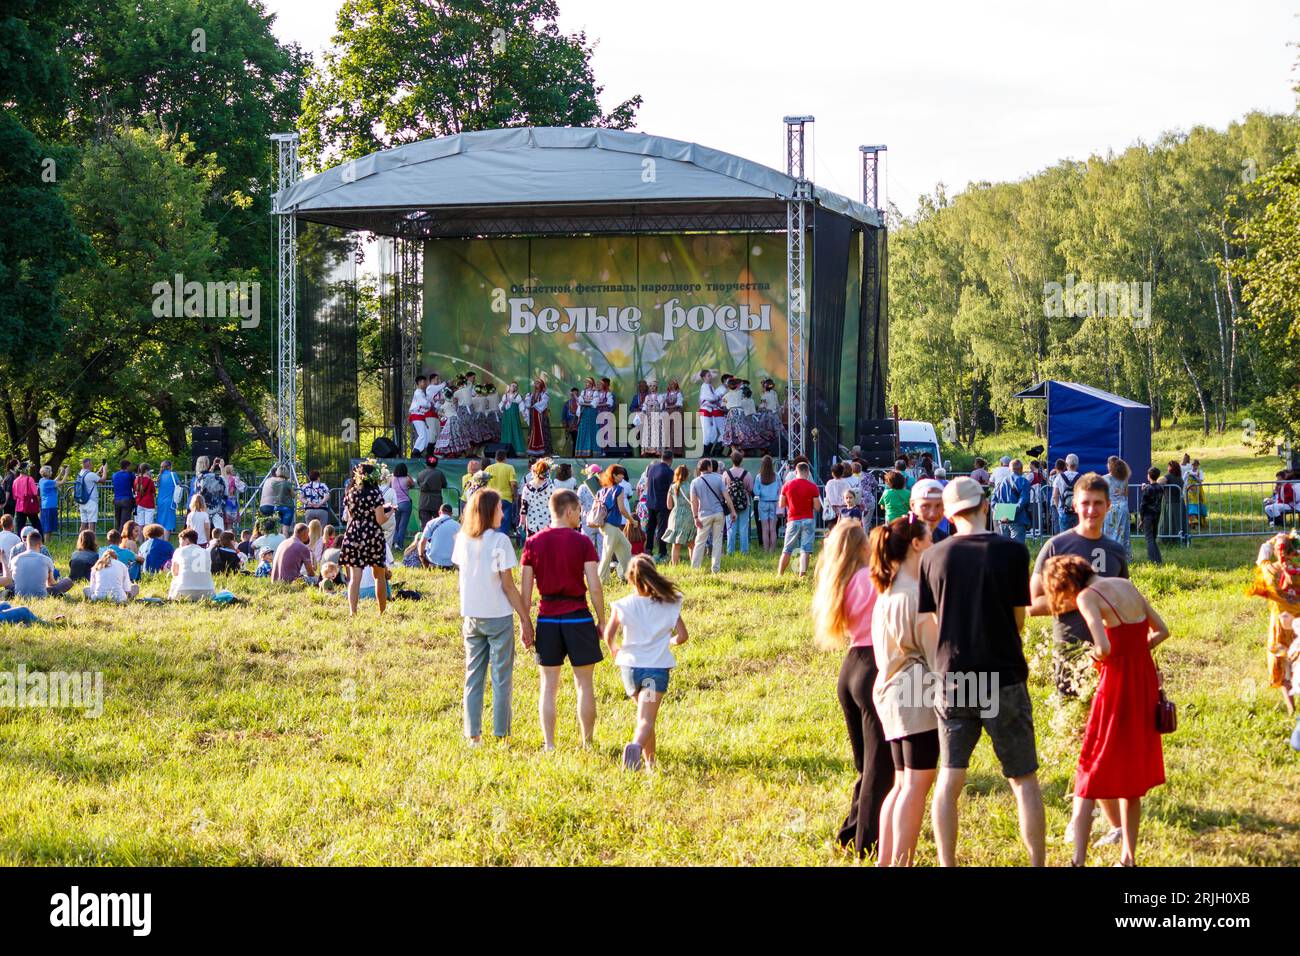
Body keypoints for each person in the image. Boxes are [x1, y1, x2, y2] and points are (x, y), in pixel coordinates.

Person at [917, 477, 1044, 867]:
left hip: (955, 678)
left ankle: (947, 863)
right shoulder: (1011, 551)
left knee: (950, 778)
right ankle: (1038, 862)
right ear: (985, 506)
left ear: (950, 516)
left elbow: (936, 619)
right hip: (1004, 675)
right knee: (1023, 779)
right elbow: (1019, 620)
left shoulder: (932, 558)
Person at [1043, 555, 1170, 866]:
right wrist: (1137, 651)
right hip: (1143, 683)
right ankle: (1128, 858)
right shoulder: (1126, 585)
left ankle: (1077, 860)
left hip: (1115, 687)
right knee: (1132, 772)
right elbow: (1163, 630)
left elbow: (1104, 648)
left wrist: (1092, 662)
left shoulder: (1088, 596)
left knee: (1089, 765)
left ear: (1066, 584)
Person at [812, 520, 892, 859]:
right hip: (875, 665)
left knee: (866, 764)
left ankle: (850, 831)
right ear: (862, 545)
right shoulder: (871, 579)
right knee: (881, 767)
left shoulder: (837, 581)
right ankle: (866, 844)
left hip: (851, 667)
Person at [869, 515, 939, 866]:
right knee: (916, 784)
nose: (933, 544)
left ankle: (887, 861)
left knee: (901, 783)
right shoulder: (916, 596)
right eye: (929, 538)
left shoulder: (888, 591)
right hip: (915, 695)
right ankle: (902, 862)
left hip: (890, 690)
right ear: (915, 544)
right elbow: (936, 655)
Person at [520, 488, 607, 751]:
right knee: (584, 684)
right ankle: (587, 742)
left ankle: (549, 744)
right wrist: (602, 620)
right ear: (569, 511)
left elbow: (525, 592)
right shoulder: (583, 542)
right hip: (578, 618)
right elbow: (594, 586)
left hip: (547, 619)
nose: (580, 516)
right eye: (579, 511)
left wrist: (526, 624)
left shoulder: (532, 542)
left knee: (548, 686)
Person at [1031, 472, 1130, 701]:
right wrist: (1083, 600)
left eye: (1097, 503)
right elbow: (1032, 604)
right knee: (1072, 727)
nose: (1091, 510)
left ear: (1108, 506)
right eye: (1085, 503)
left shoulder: (1116, 550)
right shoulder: (1056, 546)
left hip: (1110, 655)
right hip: (1070, 651)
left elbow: (1124, 600)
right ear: (1075, 505)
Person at [452, 489, 534, 745]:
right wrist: (525, 618)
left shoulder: (462, 539)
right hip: (497, 616)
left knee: (473, 676)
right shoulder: (500, 542)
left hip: (471, 614)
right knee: (501, 677)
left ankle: (473, 734)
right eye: (499, 508)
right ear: (489, 512)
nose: (502, 512)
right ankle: (501, 734)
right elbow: (508, 586)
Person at [603, 554, 688, 770]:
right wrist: (671, 641)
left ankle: (651, 763)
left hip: (630, 670)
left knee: (645, 718)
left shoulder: (623, 605)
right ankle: (635, 748)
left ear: (630, 579)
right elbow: (683, 636)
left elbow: (608, 635)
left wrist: (614, 649)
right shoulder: (669, 602)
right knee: (646, 720)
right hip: (654, 672)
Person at [339, 463, 392, 617]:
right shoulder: (375, 493)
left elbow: (349, 516)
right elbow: (380, 519)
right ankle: (382, 612)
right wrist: (390, 513)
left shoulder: (351, 492)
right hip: (372, 535)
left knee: (355, 578)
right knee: (379, 575)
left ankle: (352, 612)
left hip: (354, 533)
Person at [689, 458, 735, 574]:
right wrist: (733, 511)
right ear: (709, 467)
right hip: (718, 513)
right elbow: (726, 497)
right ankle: (715, 569)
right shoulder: (719, 479)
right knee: (717, 542)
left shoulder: (694, 482)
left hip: (704, 515)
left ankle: (695, 568)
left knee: (700, 542)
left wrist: (695, 517)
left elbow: (694, 501)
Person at [776, 461, 821, 577]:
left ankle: (780, 574)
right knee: (805, 549)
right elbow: (817, 507)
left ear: (796, 471)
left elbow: (781, 504)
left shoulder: (787, 485)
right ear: (807, 472)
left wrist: (790, 504)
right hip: (808, 519)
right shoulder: (813, 486)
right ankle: (802, 575)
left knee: (787, 549)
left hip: (793, 519)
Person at [595, 464, 634, 582]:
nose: (622, 476)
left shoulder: (602, 490)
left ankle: (625, 575)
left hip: (605, 525)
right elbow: (622, 509)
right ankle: (601, 580)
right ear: (614, 475)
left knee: (626, 546)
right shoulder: (619, 489)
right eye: (620, 474)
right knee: (607, 554)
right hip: (611, 526)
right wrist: (631, 520)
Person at [11, 531, 74, 598]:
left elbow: (12, 580)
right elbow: (51, 583)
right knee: (68, 581)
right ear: (40, 544)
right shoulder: (46, 560)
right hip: (41, 596)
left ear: (26, 543)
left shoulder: (15, 559)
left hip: (19, 595)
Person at [642, 452, 675, 562]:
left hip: (650, 502)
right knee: (662, 528)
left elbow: (647, 483)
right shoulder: (670, 472)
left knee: (650, 527)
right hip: (662, 505)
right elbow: (672, 489)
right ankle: (662, 552)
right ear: (671, 459)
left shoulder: (651, 468)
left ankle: (648, 549)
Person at [991, 458, 1032, 544]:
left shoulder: (1000, 482)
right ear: (1021, 469)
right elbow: (1023, 501)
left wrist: (1002, 513)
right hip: (1018, 519)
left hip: (1002, 519)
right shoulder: (1024, 482)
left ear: (1010, 469)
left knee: (1004, 549)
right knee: (1017, 549)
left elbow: (993, 501)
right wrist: (1010, 513)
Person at [169, 528, 216, 600]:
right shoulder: (206, 552)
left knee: (175, 578)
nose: (180, 545)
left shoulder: (179, 551)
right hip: (208, 593)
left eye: (180, 542)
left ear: (187, 540)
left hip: (184, 592)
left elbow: (175, 573)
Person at [722, 452, 754, 555]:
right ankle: (744, 551)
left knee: (730, 528)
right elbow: (750, 489)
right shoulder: (747, 474)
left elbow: (723, 489)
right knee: (743, 528)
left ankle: (730, 551)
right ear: (741, 461)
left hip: (730, 504)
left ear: (731, 460)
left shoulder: (726, 473)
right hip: (744, 504)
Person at [516, 457, 554, 542]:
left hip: (532, 524)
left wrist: (522, 524)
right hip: (547, 523)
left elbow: (523, 508)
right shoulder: (551, 487)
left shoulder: (527, 487)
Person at [484, 449, 517, 536]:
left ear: (495, 458)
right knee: (504, 523)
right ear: (505, 458)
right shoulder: (510, 468)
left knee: (492, 522)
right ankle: (502, 543)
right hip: (506, 499)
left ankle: (491, 542)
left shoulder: (488, 468)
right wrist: (515, 495)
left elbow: (483, 483)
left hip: (492, 499)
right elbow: (513, 484)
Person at [1103, 456, 1132, 556]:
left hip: (1110, 508)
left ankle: (1110, 556)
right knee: (1123, 534)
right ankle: (1124, 556)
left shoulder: (1104, 478)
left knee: (1109, 533)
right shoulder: (1124, 478)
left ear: (1109, 465)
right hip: (1123, 507)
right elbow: (1126, 493)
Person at [419, 504, 460, 570]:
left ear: (439, 512)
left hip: (432, 561)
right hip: (450, 562)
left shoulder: (431, 523)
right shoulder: (458, 526)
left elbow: (422, 542)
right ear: (451, 514)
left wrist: (421, 557)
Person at [909, 478, 949, 544]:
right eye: (925, 506)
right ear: (913, 505)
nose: (932, 514)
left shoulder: (946, 543)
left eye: (938, 506)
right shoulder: (899, 540)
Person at [754, 455, 782, 552]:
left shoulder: (759, 476)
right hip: (774, 503)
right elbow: (781, 489)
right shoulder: (776, 476)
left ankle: (766, 551)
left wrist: (763, 493)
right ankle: (772, 551)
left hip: (763, 503)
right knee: (773, 529)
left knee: (765, 529)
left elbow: (756, 492)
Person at [1138, 467, 1165, 564]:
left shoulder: (1147, 489)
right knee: (1153, 537)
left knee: (1149, 538)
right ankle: (1157, 558)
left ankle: (1154, 559)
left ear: (1149, 476)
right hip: (1156, 515)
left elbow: (1143, 505)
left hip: (1148, 516)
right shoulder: (1161, 488)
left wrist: (1141, 519)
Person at [698, 369, 726, 457]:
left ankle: (708, 452)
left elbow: (713, 399)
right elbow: (711, 398)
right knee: (707, 432)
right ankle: (705, 453)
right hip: (705, 412)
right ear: (703, 377)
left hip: (710, 412)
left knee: (713, 433)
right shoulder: (705, 386)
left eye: (710, 375)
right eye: (708, 375)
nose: (710, 377)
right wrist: (718, 396)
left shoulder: (710, 386)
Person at [389, 463, 415, 552]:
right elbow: (413, 485)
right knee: (402, 526)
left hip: (395, 504)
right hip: (406, 503)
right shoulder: (407, 479)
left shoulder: (392, 479)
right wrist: (409, 475)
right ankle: (399, 545)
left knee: (395, 525)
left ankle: (395, 542)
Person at [1052, 454, 1081, 532]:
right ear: (1077, 465)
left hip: (1064, 511)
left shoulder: (1059, 477)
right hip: (1077, 512)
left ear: (1066, 464)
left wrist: (1059, 509)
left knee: (1065, 538)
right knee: (1077, 537)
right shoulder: (1081, 478)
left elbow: (1055, 496)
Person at [78, 460, 108, 535]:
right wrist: (104, 470)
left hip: (82, 501)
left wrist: (99, 471)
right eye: (92, 463)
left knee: (83, 523)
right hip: (91, 501)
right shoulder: (91, 475)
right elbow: (103, 480)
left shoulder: (80, 473)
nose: (92, 465)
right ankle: (91, 541)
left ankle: (80, 540)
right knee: (92, 523)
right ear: (89, 464)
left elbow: (91, 478)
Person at [10, 464, 40, 534]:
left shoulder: (15, 481)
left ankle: (20, 541)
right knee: (36, 524)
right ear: (26, 470)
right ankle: (40, 540)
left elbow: (14, 496)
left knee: (19, 527)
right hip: (29, 505)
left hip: (19, 507)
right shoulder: (30, 479)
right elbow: (35, 493)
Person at [525, 378, 552, 457]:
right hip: (533, 416)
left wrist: (534, 406)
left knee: (542, 431)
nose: (536, 385)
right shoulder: (530, 394)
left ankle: (544, 451)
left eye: (538, 383)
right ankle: (533, 450)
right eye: (535, 383)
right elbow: (528, 404)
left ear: (541, 385)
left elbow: (543, 403)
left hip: (541, 416)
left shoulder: (544, 394)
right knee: (533, 431)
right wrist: (529, 403)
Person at [37, 465, 65, 539]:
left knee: (48, 527)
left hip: (46, 506)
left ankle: (48, 542)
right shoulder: (47, 482)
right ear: (47, 473)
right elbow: (61, 482)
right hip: (49, 506)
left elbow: (54, 481)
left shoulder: (42, 480)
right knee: (48, 528)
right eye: (50, 471)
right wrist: (66, 473)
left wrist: (61, 474)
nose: (52, 472)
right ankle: (47, 542)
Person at [155, 460, 180, 539]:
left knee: (161, 521)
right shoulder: (173, 474)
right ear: (169, 467)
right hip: (170, 501)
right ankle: (165, 541)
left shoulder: (160, 476)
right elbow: (179, 484)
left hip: (160, 501)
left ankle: (160, 540)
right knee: (168, 523)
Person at [575, 377, 599, 457]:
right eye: (585, 382)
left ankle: (592, 451)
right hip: (585, 413)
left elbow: (594, 404)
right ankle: (582, 451)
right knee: (583, 430)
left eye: (588, 382)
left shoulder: (595, 392)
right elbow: (580, 402)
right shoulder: (583, 392)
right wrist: (586, 403)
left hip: (591, 413)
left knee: (592, 430)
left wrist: (585, 403)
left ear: (591, 383)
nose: (586, 384)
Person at [109, 459, 135, 532]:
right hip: (127, 499)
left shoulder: (114, 475)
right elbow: (134, 485)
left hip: (116, 499)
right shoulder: (130, 475)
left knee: (118, 520)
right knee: (125, 522)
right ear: (127, 466)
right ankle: (121, 538)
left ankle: (116, 536)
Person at [133, 464, 157, 528]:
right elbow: (154, 493)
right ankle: (147, 538)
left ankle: (140, 538)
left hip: (139, 503)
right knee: (148, 526)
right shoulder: (150, 481)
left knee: (140, 525)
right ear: (146, 470)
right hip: (149, 504)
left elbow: (135, 490)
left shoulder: (136, 480)